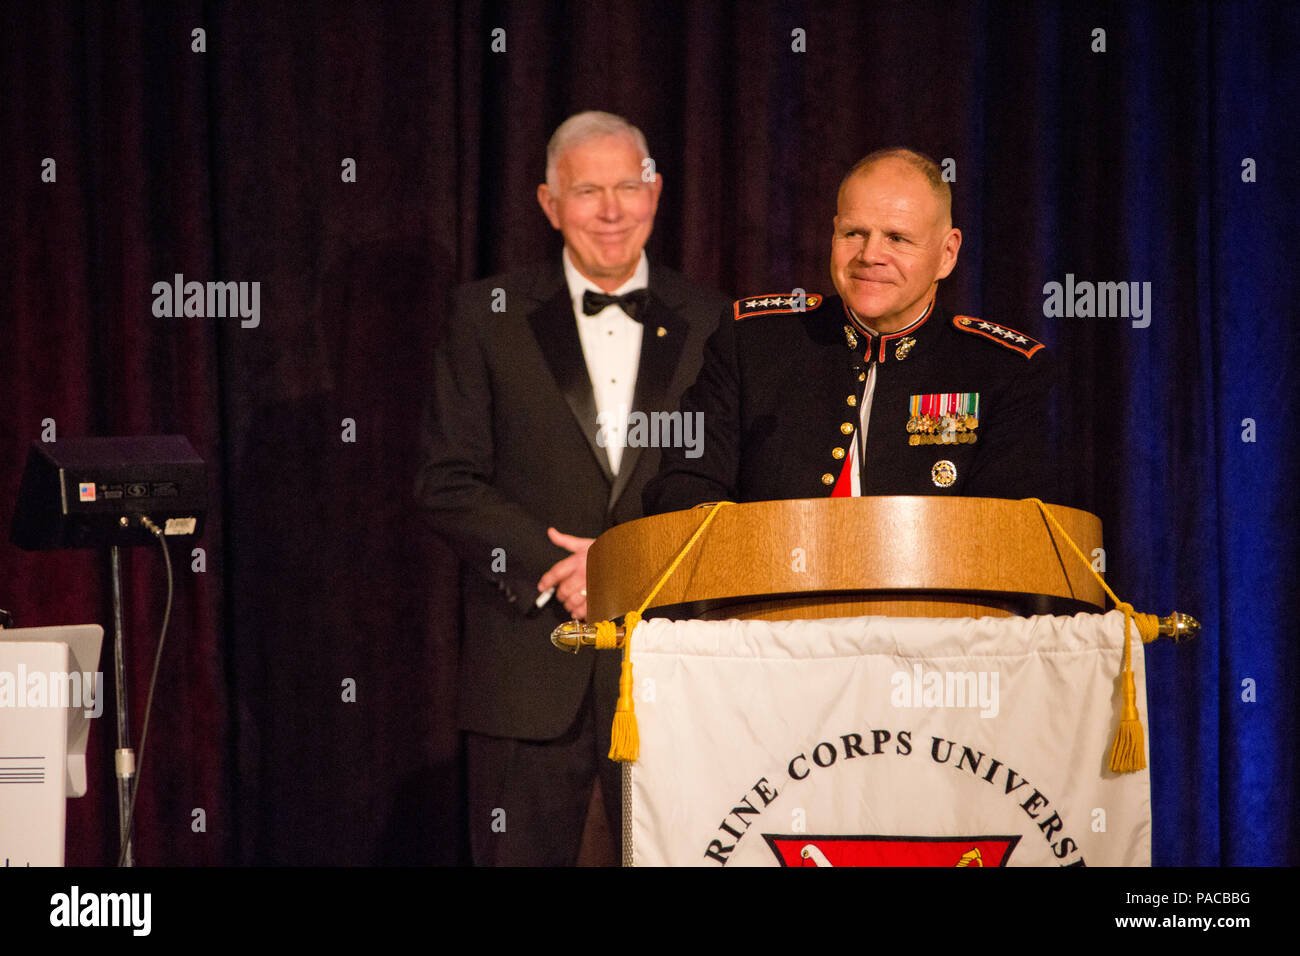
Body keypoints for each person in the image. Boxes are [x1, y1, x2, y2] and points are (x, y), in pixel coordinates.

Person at [415, 111, 728, 865]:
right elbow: (446, 481)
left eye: (629, 185)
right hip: (526, 670)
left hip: (673, 670)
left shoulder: (717, 320)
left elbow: (733, 486)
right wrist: (563, 569)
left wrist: (626, 563)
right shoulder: (483, 316)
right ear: (549, 204)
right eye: (588, 190)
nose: (612, 209)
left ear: (656, 191)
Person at [643, 148, 1057, 513]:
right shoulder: (752, 343)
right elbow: (683, 489)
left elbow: (1013, 538)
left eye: (897, 238)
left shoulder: (1004, 370)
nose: (870, 255)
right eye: (854, 233)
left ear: (947, 254)